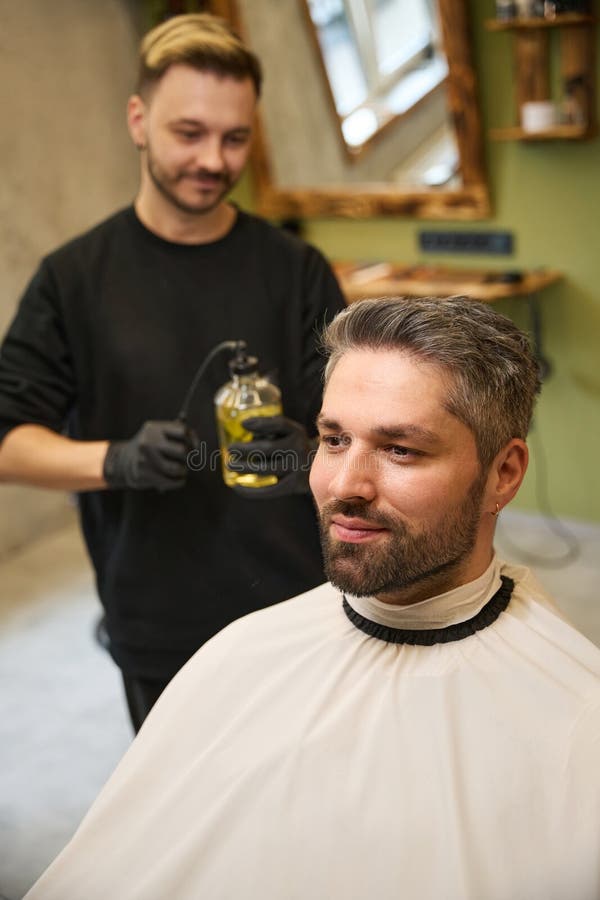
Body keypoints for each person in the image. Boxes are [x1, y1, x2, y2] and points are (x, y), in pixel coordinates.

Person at [23, 296, 600, 900]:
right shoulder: (240, 654)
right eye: (333, 439)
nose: (344, 486)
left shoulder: (574, 721)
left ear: (503, 474)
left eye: (401, 449)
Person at [0, 13, 345, 731]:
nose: (214, 160)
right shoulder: (73, 281)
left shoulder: (296, 270)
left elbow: (351, 432)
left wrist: (307, 454)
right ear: (138, 119)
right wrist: (117, 461)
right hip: (160, 621)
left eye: (235, 137)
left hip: (298, 608)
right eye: (189, 133)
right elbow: (8, 443)